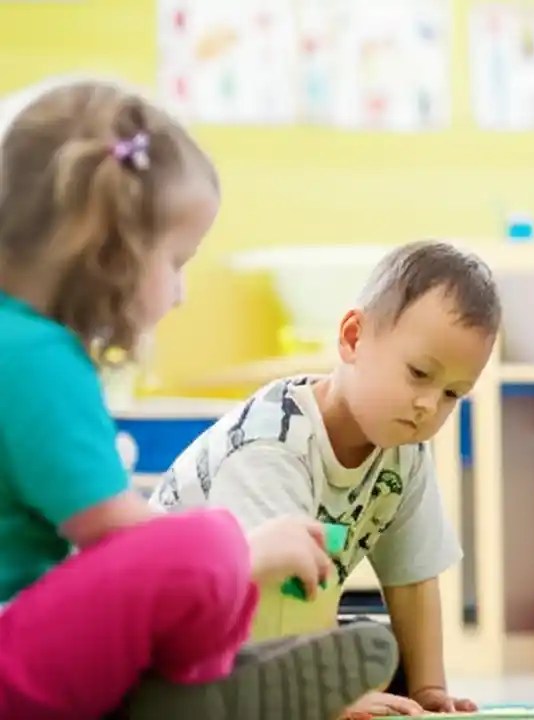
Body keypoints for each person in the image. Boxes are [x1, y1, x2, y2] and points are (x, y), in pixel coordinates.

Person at [0, 78, 397, 719]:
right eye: (177, 260)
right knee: (198, 544)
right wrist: (248, 554)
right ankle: (188, 695)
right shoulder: (35, 357)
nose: (182, 292)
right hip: (12, 672)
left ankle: (192, 689)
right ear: (110, 253)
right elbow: (114, 534)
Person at [151, 240, 494, 717]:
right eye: (418, 374)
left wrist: (428, 688)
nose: (428, 406)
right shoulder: (272, 444)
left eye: (453, 393)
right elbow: (268, 594)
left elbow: (414, 579)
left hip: (271, 631)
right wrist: (328, 693)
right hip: (175, 638)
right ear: (353, 338)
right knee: (332, 666)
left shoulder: (404, 452)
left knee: (380, 651)